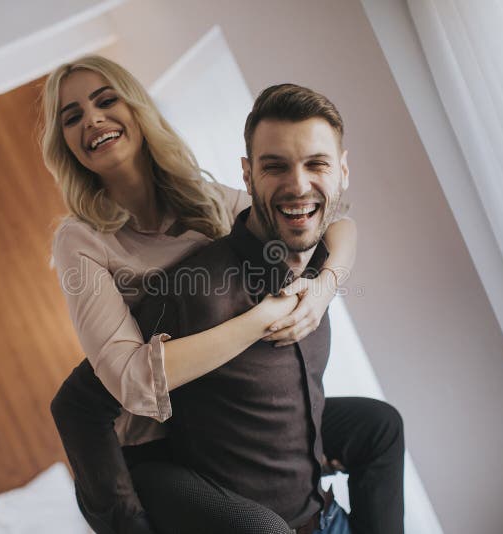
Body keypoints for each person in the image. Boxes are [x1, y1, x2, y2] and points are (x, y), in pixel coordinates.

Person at [43, 55, 403, 533]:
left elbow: (330, 220)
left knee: (379, 426)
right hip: (161, 440)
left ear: (136, 109)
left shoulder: (209, 199)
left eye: (106, 100)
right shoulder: (82, 240)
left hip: (233, 400)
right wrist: (260, 319)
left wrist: (324, 287)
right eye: (72, 116)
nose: (92, 119)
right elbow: (131, 380)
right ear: (65, 142)